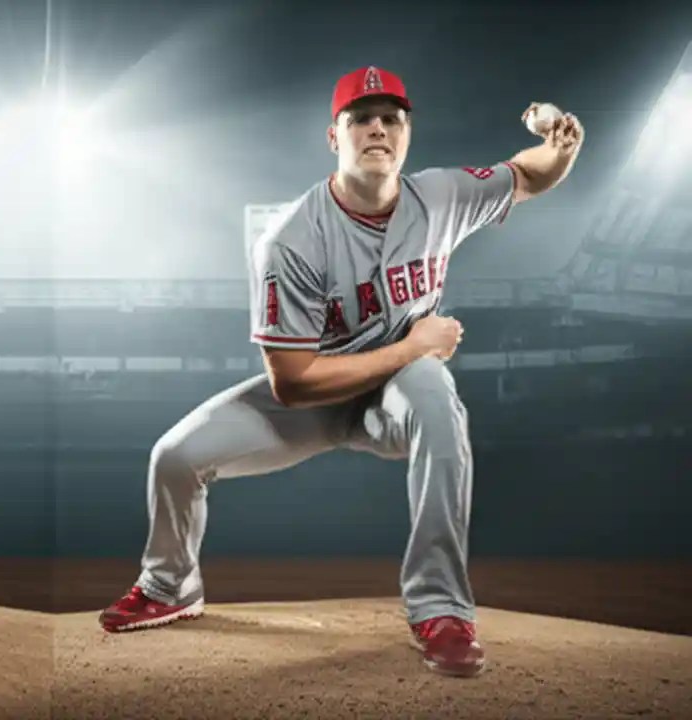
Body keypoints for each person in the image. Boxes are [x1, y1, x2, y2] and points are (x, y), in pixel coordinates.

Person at [97, 66, 583, 678]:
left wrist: (561, 147)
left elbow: (528, 176)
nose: (377, 129)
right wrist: (414, 345)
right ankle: (171, 586)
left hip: (398, 395)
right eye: (361, 118)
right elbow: (292, 383)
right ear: (335, 137)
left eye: (392, 119)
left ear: (408, 134)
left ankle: (442, 609)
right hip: (318, 393)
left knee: (436, 401)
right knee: (173, 456)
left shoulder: (442, 195)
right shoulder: (290, 240)